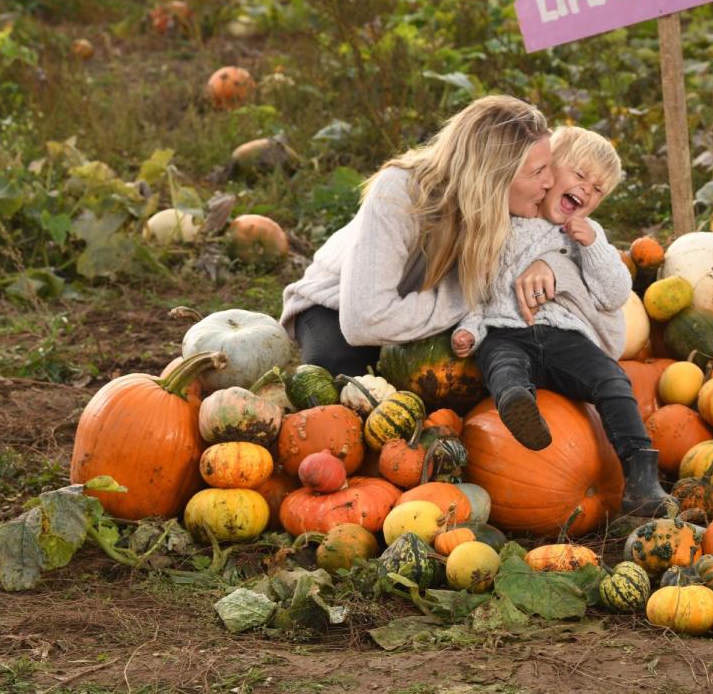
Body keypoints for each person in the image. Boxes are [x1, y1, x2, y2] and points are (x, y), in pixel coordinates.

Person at [450, 126, 671, 516]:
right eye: (580, 176)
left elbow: (614, 293)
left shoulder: (586, 235)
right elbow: (476, 287)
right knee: (502, 365)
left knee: (613, 380)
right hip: (505, 331)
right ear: (548, 171)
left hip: (564, 336)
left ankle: (641, 477)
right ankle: (518, 404)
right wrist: (470, 328)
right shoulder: (501, 222)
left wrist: (594, 245)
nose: (587, 190)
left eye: (598, 190)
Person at [280, 95, 585, 376]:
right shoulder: (398, 192)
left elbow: (581, 243)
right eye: (537, 172)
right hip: (338, 304)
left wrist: (550, 264)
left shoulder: (519, 202)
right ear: (493, 177)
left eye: (549, 168)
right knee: (340, 377)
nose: (550, 182)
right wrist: (468, 300)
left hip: (425, 313)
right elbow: (365, 320)